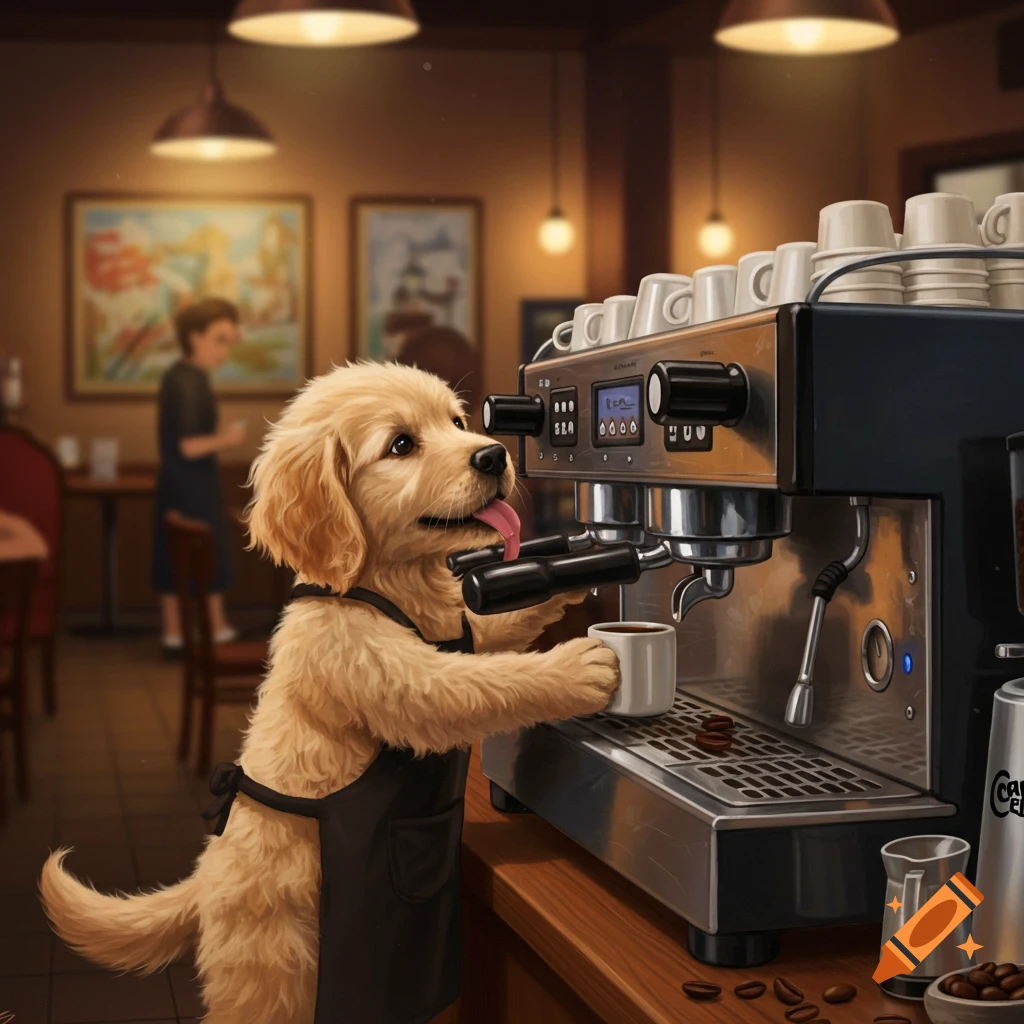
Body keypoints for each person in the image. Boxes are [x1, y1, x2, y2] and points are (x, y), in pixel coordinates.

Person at [152, 298, 246, 655]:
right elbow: (188, 445)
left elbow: (190, 434)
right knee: (202, 552)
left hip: (186, 481)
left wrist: (217, 432)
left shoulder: (186, 378)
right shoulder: (186, 381)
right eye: (219, 339)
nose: (225, 350)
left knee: (181, 554)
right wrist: (228, 438)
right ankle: (201, 631)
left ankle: (182, 633)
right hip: (190, 483)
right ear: (195, 337)